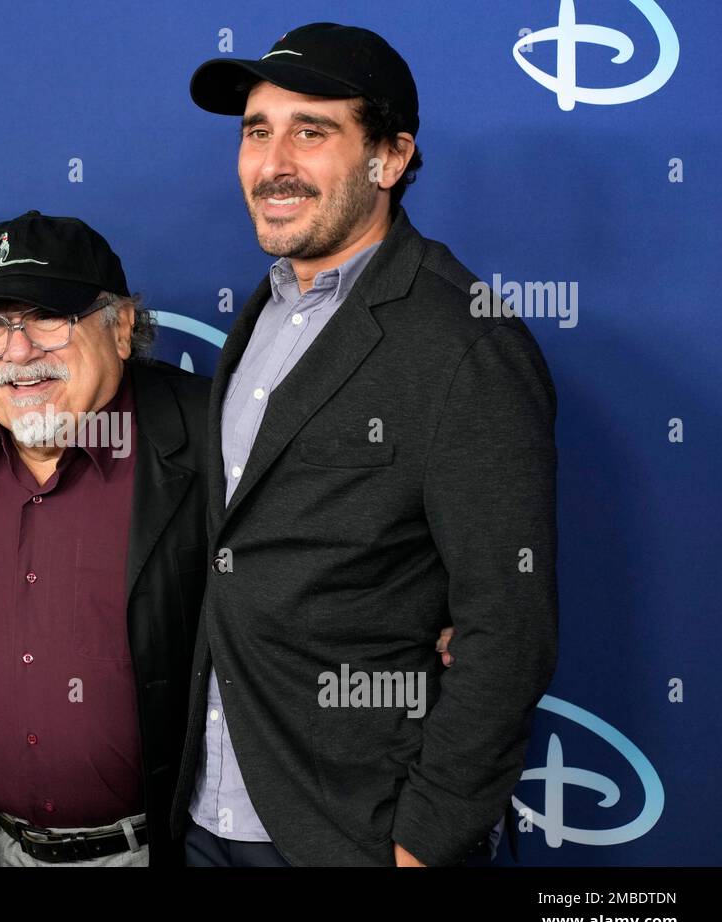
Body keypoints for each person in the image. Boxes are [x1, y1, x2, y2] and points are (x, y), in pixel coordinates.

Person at [172, 23, 559, 866]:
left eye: (312, 131)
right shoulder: (269, 306)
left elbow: (509, 625)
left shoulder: (463, 342)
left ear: (389, 156)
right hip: (214, 808)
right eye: (256, 130)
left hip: (354, 828)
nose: (273, 162)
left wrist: (424, 841)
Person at [0, 211, 211, 866]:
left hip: (154, 849)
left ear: (122, 326)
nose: (18, 351)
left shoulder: (212, 436)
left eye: (49, 316)